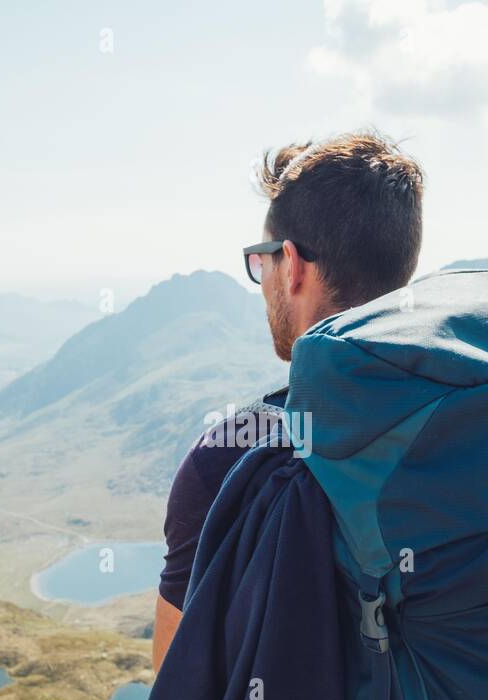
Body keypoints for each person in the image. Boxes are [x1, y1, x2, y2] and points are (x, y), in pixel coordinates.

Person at [152, 130, 425, 670]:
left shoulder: (231, 457)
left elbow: (174, 682)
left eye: (262, 260)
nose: (264, 278)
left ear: (292, 264)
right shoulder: (481, 416)